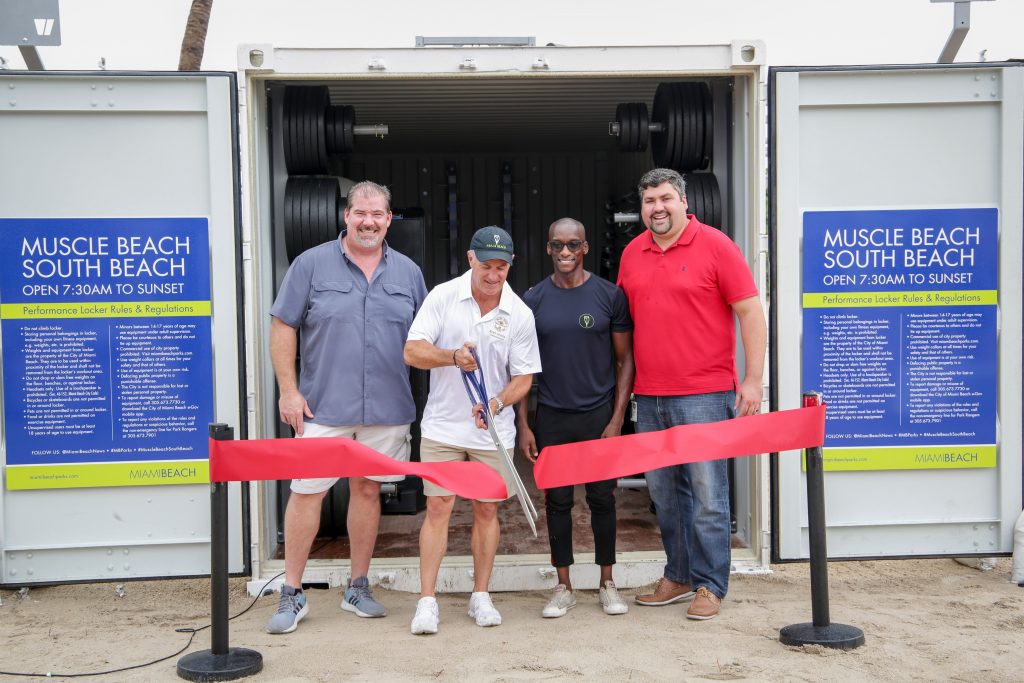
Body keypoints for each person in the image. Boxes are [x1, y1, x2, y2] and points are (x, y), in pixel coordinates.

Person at [265, 181, 427, 634]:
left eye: (378, 214)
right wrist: (288, 390)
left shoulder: (409, 273)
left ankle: (358, 585)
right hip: (322, 407)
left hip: (387, 408)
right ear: (346, 215)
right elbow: (283, 327)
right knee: (307, 492)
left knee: (369, 490)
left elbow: (425, 339)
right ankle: (292, 592)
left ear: (389, 219)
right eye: (361, 213)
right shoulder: (311, 265)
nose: (369, 221)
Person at [617, 168, 766, 621]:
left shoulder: (717, 246)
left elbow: (750, 313)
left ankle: (709, 584)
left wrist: (753, 379)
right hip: (650, 395)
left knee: (707, 496)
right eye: (648, 201)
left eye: (665, 199)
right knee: (664, 496)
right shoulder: (631, 253)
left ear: (683, 202)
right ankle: (678, 576)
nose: (657, 208)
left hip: (705, 392)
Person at [403, 226, 542, 635]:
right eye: (486, 266)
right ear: (470, 259)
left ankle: (480, 596)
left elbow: (524, 378)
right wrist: (451, 356)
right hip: (443, 427)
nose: (493, 275)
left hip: (491, 431)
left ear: (510, 265)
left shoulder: (519, 312)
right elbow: (412, 350)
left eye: (501, 267)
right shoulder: (443, 295)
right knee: (439, 507)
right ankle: (426, 601)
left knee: (486, 508)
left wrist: (497, 403)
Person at [516, 217, 635, 618]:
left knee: (603, 499)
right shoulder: (532, 300)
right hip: (552, 415)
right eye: (556, 246)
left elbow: (625, 361)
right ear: (547, 248)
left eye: (572, 245)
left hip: (598, 415)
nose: (564, 253)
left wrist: (617, 419)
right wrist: (524, 424)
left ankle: (607, 582)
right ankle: (563, 586)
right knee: (558, 503)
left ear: (585, 247)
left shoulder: (609, 295)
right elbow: (521, 368)